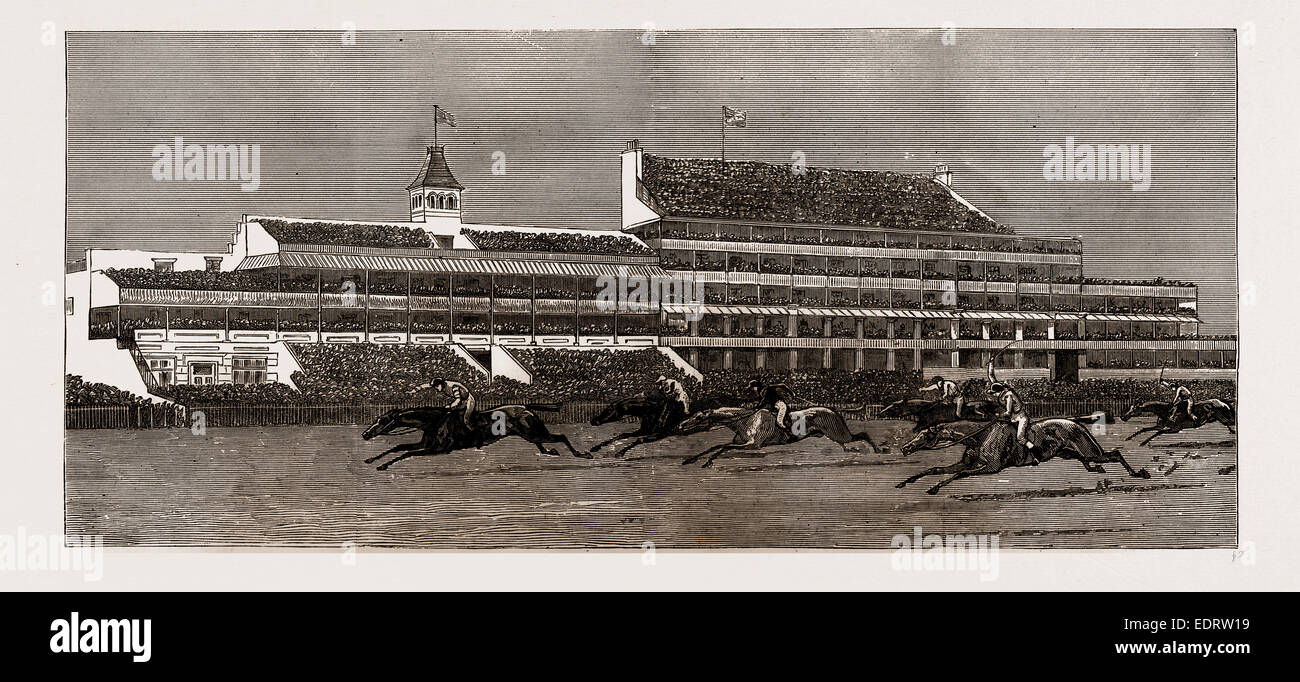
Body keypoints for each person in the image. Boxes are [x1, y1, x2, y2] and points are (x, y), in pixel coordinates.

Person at [987, 363, 1038, 462]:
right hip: (1013, 418)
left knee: (1020, 438)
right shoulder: (999, 388)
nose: (993, 396)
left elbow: (1008, 412)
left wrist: (997, 415)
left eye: (994, 394)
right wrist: (991, 363)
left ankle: (1036, 455)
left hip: (1021, 417)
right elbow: (991, 375)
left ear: (998, 392)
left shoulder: (1008, 396)